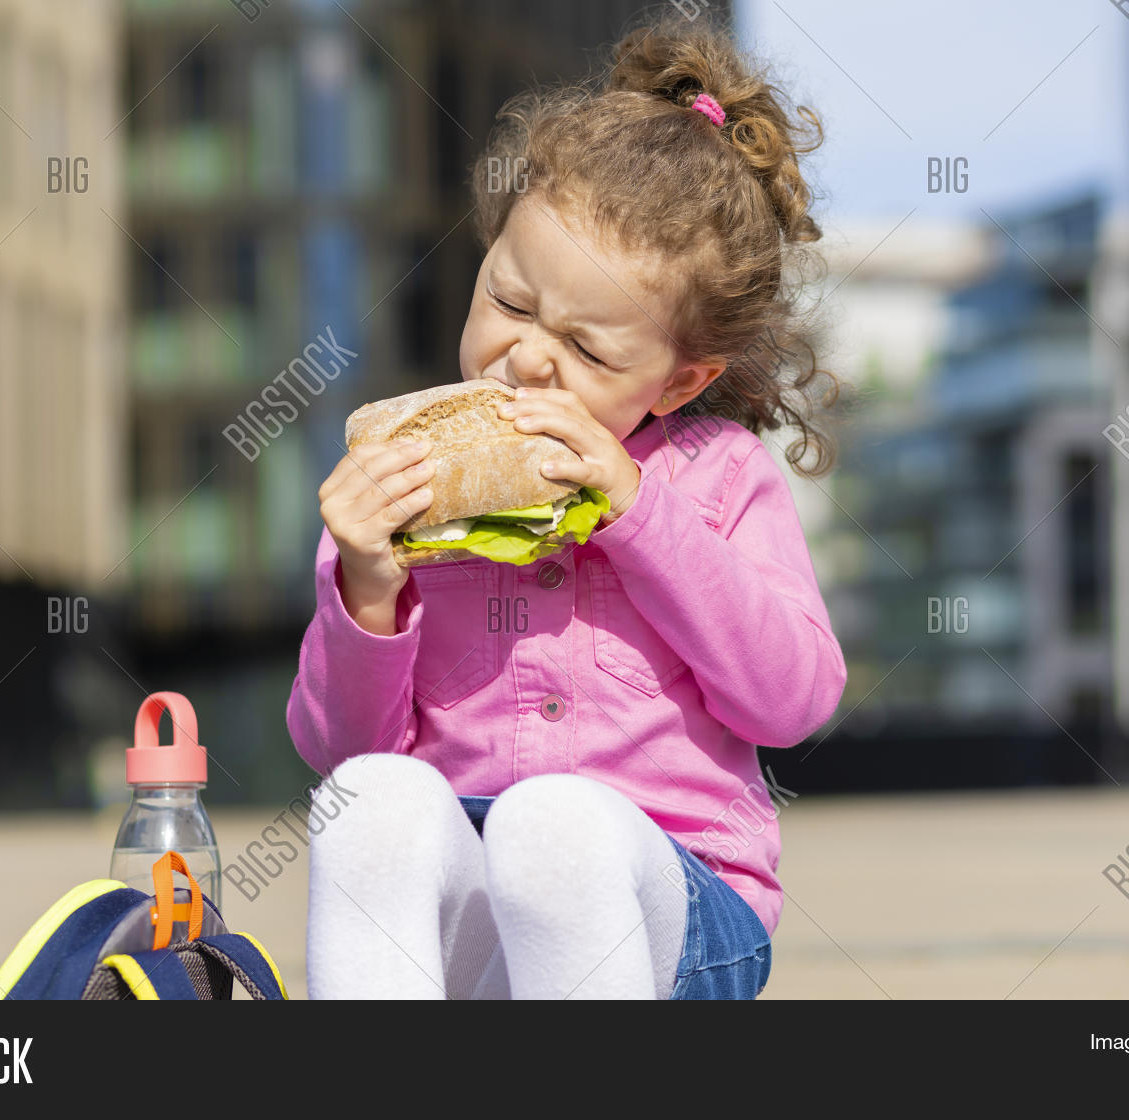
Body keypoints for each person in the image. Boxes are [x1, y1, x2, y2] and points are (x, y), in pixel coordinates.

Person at [288, 10, 848, 999]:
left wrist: (636, 511)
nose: (530, 354)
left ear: (678, 382)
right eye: (508, 302)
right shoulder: (416, 483)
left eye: (589, 351)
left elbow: (792, 698)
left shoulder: (716, 476)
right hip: (473, 912)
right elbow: (341, 750)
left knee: (553, 825)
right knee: (368, 800)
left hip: (680, 900)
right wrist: (368, 585)